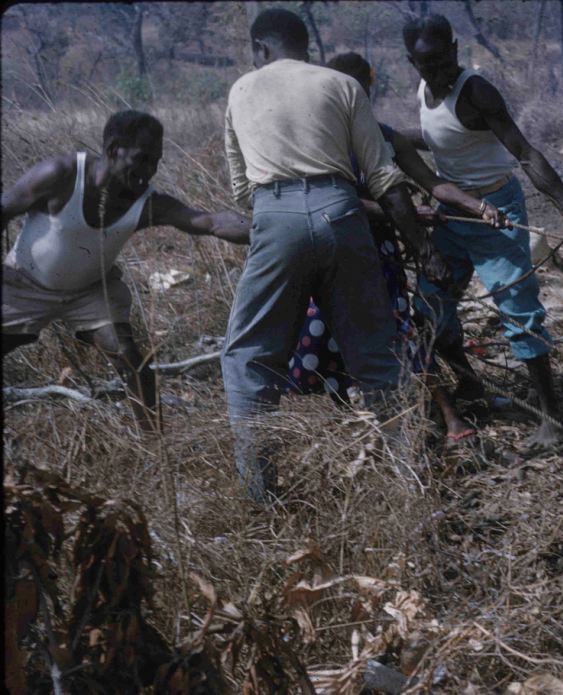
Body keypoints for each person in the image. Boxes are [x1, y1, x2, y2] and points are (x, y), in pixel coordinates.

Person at [223, 9, 451, 504]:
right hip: (342, 214)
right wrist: (423, 246)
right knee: (377, 357)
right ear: (305, 45)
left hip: (275, 213)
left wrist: (280, 212)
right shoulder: (342, 85)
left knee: (247, 358)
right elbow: (384, 178)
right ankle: (411, 484)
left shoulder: (241, 90)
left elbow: (242, 188)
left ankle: (259, 495)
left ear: (261, 48)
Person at [402, 13, 563, 454]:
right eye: (425, 63)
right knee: (431, 309)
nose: (436, 70)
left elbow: (525, 152)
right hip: (452, 213)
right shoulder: (424, 90)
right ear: (412, 62)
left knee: (518, 310)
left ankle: (552, 420)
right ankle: (471, 386)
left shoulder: (477, 91)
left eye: (442, 59)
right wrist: (391, 138)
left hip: (497, 212)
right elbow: (442, 137)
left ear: (455, 50)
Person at [287, 51, 505, 447]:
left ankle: (449, 415)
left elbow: (432, 182)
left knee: (400, 327)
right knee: (325, 330)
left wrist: (477, 207)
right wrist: (401, 212)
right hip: (332, 244)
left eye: (359, 88)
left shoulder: (386, 137)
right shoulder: (319, 142)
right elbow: (333, 201)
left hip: (379, 252)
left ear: (367, 89)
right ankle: (359, 418)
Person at [2, 110, 250, 434]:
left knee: (130, 358)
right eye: (141, 159)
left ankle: (153, 443)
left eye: (155, 162)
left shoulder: (146, 203)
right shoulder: (62, 175)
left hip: (89, 292)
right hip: (25, 284)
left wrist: (266, 229)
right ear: (113, 150)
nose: (149, 171)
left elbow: (210, 222)